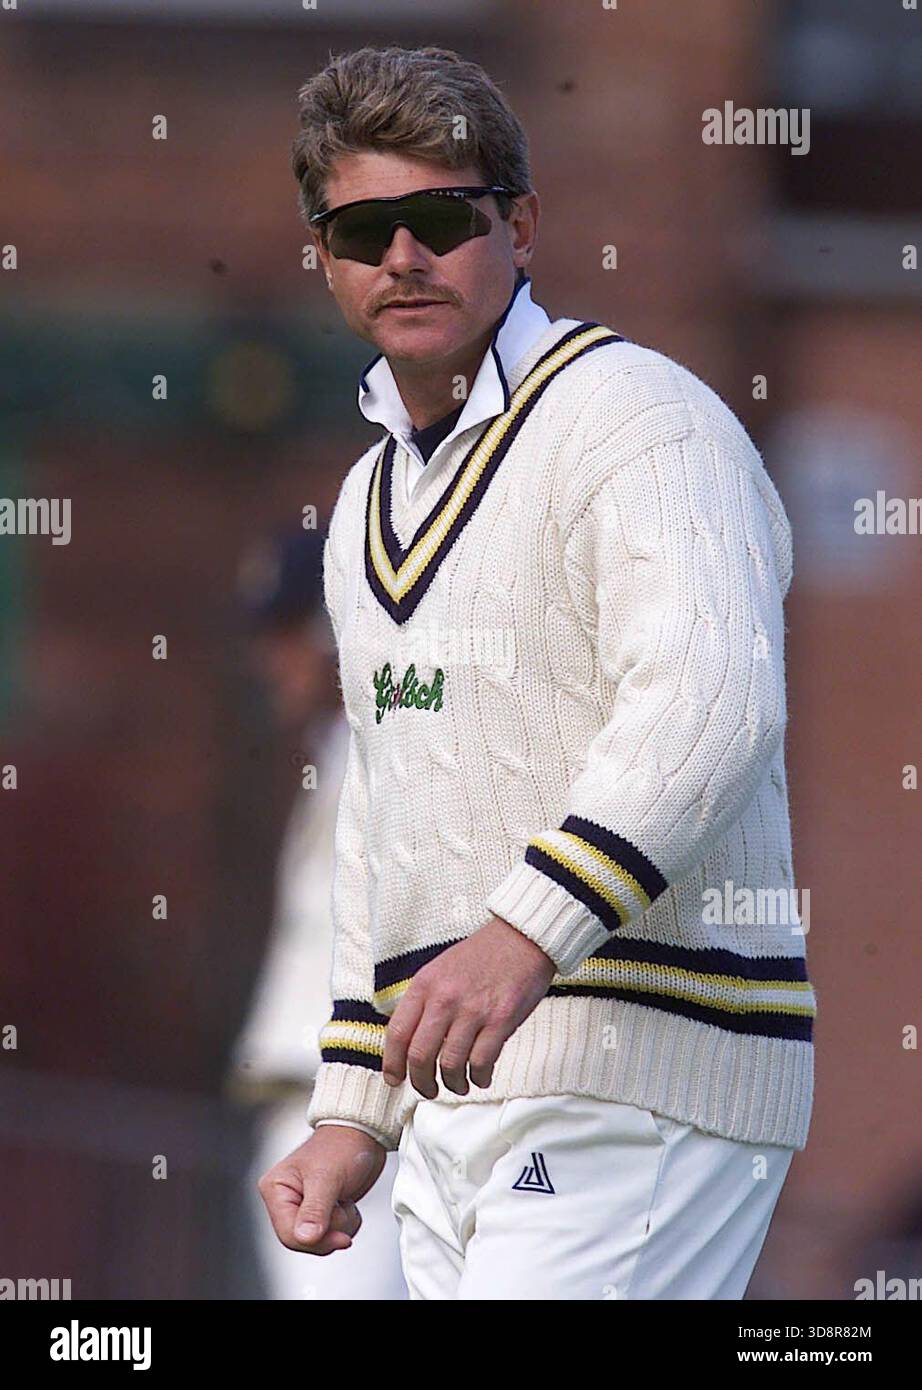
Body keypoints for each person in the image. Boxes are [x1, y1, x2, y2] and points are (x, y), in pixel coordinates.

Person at [258, 44, 817, 1301]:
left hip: (643, 1062)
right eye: (362, 228)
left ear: (519, 223)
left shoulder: (640, 419)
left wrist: (523, 932)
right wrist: (357, 1103)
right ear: (324, 255)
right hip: (460, 1101)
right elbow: (379, 821)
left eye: (440, 218)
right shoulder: (362, 501)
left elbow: (711, 704)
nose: (401, 256)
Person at [229, 526, 406, 1299]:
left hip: (356, 1116)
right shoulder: (331, 758)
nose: (271, 661)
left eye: (286, 634)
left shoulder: (393, 751)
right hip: (305, 1112)